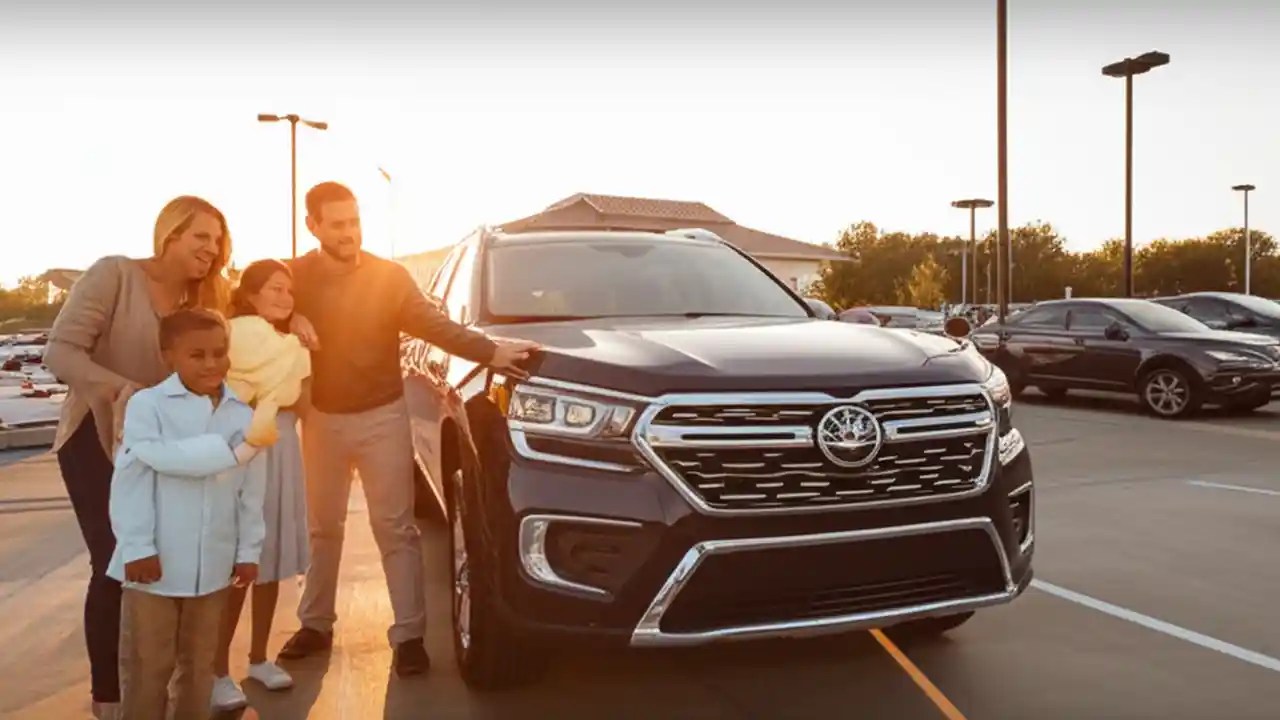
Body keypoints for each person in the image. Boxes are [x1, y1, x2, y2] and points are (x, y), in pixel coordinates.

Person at [275, 181, 538, 676]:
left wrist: (491, 351)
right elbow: (248, 308)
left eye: (354, 222)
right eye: (337, 225)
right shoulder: (292, 276)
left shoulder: (388, 278)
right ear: (312, 225)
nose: (349, 232)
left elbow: (435, 326)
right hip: (322, 420)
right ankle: (315, 624)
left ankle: (409, 636)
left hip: (382, 416)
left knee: (396, 528)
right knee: (322, 528)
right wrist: (291, 318)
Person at [44, 195, 233, 720]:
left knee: (172, 568)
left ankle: (167, 691)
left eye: (217, 242)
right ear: (169, 233)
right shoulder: (115, 276)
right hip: (96, 439)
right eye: (201, 236)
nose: (211, 250)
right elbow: (59, 352)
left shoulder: (207, 298)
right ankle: (109, 698)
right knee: (117, 564)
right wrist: (122, 390)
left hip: (169, 453)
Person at [108, 308, 269, 720]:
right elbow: (135, 479)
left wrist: (248, 552)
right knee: (148, 669)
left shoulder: (243, 415)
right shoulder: (148, 406)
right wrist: (138, 546)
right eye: (197, 355)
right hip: (153, 570)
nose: (212, 363)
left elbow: (252, 492)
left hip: (214, 571)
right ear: (168, 356)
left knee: (200, 670)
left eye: (220, 352)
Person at [210, 259, 313, 712]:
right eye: (274, 289)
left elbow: (304, 402)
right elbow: (223, 389)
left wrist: (279, 380)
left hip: (282, 446)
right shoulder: (228, 335)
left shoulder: (294, 344)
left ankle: (258, 658)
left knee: (269, 558)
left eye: (290, 292)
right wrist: (270, 390)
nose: (283, 298)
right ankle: (215, 671)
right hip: (239, 447)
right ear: (250, 294)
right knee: (240, 559)